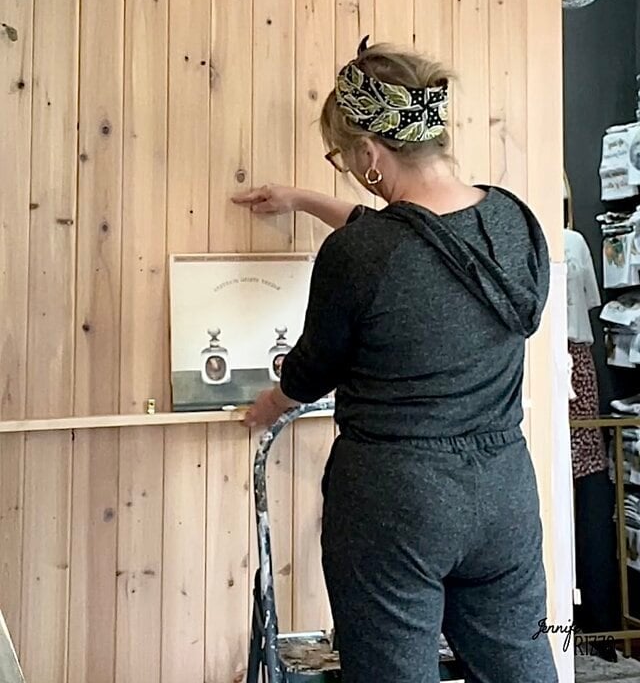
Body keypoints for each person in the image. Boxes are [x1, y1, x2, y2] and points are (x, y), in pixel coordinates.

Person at [233, 38, 557, 683]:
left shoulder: (362, 254)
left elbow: (312, 368)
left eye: (343, 158)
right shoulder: (516, 221)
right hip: (503, 491)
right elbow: (421, 245)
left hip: (395, 497)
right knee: (518, 663)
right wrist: (303, 200)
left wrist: (264, 409)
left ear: (368, 154)